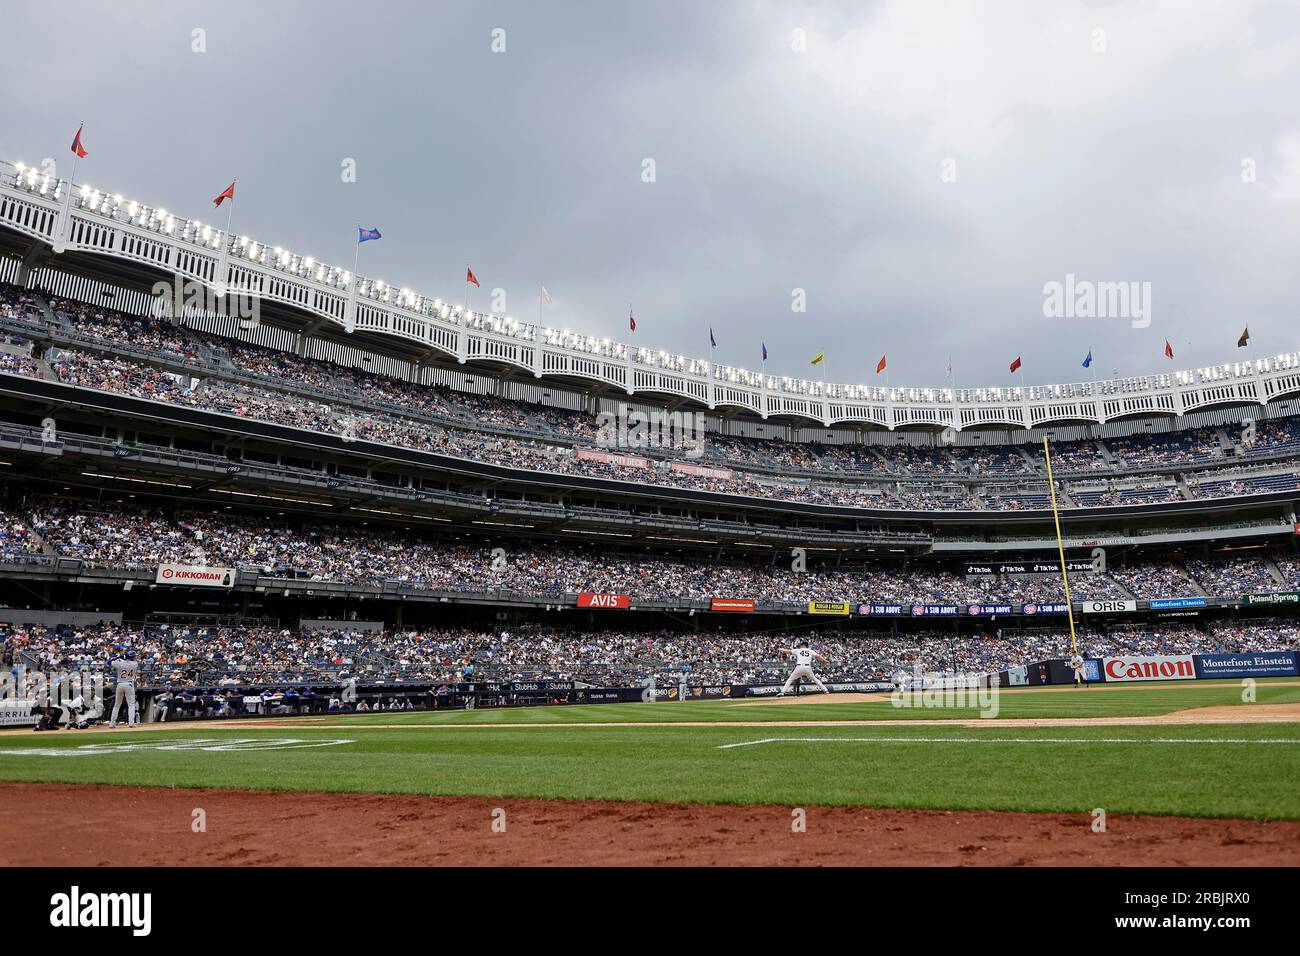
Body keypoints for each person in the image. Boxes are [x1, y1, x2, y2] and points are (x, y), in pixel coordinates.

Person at [107, 648, 140, 728]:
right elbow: (131, 660)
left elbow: (108, 662)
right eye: (134, 656)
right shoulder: (135, 664)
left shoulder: (119, 663)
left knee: (117, 705)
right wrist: (123, 656)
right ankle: (131, 723)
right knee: (131, 705)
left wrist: (119, 657)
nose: (135, 657)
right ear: (132, 657)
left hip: (120, 684)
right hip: (129, 684)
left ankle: (112, 723)